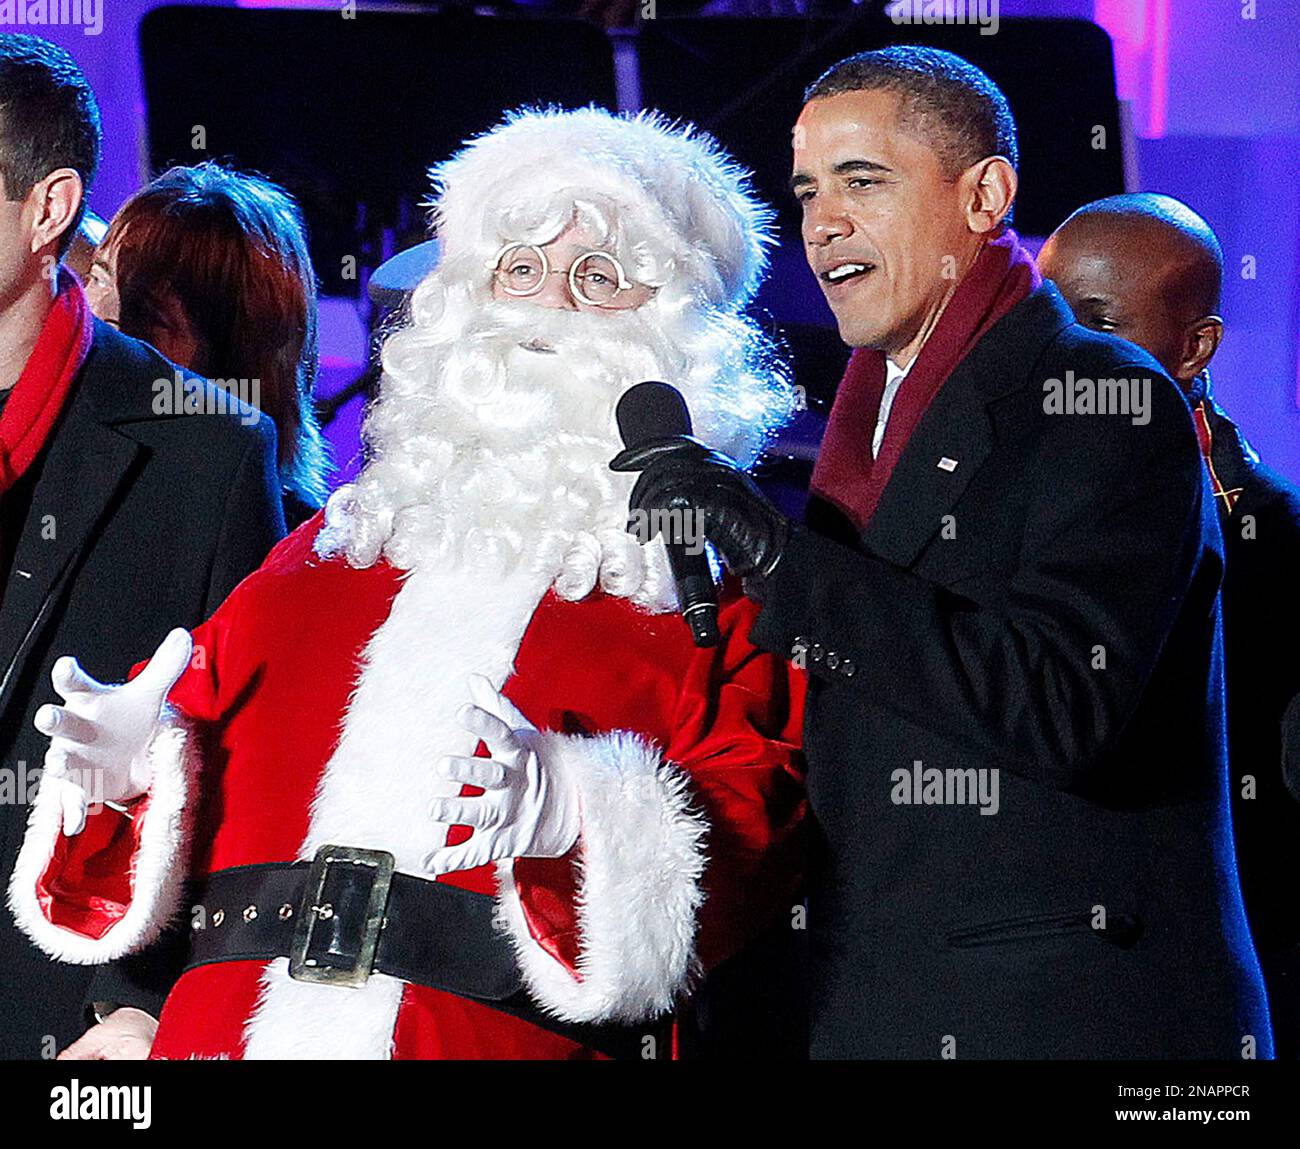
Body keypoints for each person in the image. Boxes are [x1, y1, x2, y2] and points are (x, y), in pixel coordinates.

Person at [9, 107, 807, 1059]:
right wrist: (127, 772)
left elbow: (758, 830)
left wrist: (583, 811)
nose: (543, 305)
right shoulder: (323, 556)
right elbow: (190, 756)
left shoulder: (710, 592)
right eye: (519, 269)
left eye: (595, 278)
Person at [613, 45, 1273, 1058]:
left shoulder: (1105, 399)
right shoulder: (859, 423)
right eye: (807, 191)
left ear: (985, 196)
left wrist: (785, 564)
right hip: (873, 1005)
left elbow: (1060, 701)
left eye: (862, 181)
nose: (822, 221)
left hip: (1065, 1019)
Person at [0, 34, 285, 1060]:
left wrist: (139, 1006)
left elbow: (248, 772)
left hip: (63, 1023)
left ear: (48, 207)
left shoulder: (207, 451)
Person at [1039, 193, 1300, 1058]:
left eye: (1099, 321)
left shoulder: (1266, 528)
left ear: (1196, 348)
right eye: (1047, 315)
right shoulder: (1012, 494)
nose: (1060, 348)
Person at [83, 162, 329, 528]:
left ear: (236, 362)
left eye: (149, 312)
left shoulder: (273, 540)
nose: (101, 319)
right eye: (99, 278)